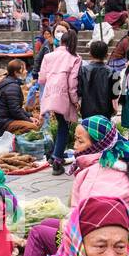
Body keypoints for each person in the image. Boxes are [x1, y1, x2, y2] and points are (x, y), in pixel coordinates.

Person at [22, 116, 129, 256]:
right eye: (75, 139)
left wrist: (65, 225)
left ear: (99, 145)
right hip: (119, 236)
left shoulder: (98, 174)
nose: (74, 146)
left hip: (99, 248)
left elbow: (84, 221)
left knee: (37, 233)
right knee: (47, 223)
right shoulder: (123, 161)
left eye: (80, 141)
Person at [38, 25, 82, 176]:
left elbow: (42, 79)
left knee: (62, 125)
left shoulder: (48, 56)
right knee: (64, 126)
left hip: (51, 94)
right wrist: (75, 100)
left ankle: (57, 155)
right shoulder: (75, 58)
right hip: (64, 96)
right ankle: (56, 160)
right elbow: (72, 83)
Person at [0, 58, 37, 136]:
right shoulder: (12, 87)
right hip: (3, 122)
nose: (26, 71)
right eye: (23, 69)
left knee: (38, 118)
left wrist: (30, 116)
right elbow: (15, 111)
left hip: (10, 118)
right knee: (32, 126)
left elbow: (17, 108)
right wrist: (29, 120)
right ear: (16, 72)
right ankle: (14, 141)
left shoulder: (13, 84)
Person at [78, 39, 116, 119]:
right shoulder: (113, 72)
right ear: (106, 55)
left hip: (87, 110)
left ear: (90, 54)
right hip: (105, 110)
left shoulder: (82, 70)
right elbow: (116, 94)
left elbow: (79, 91)